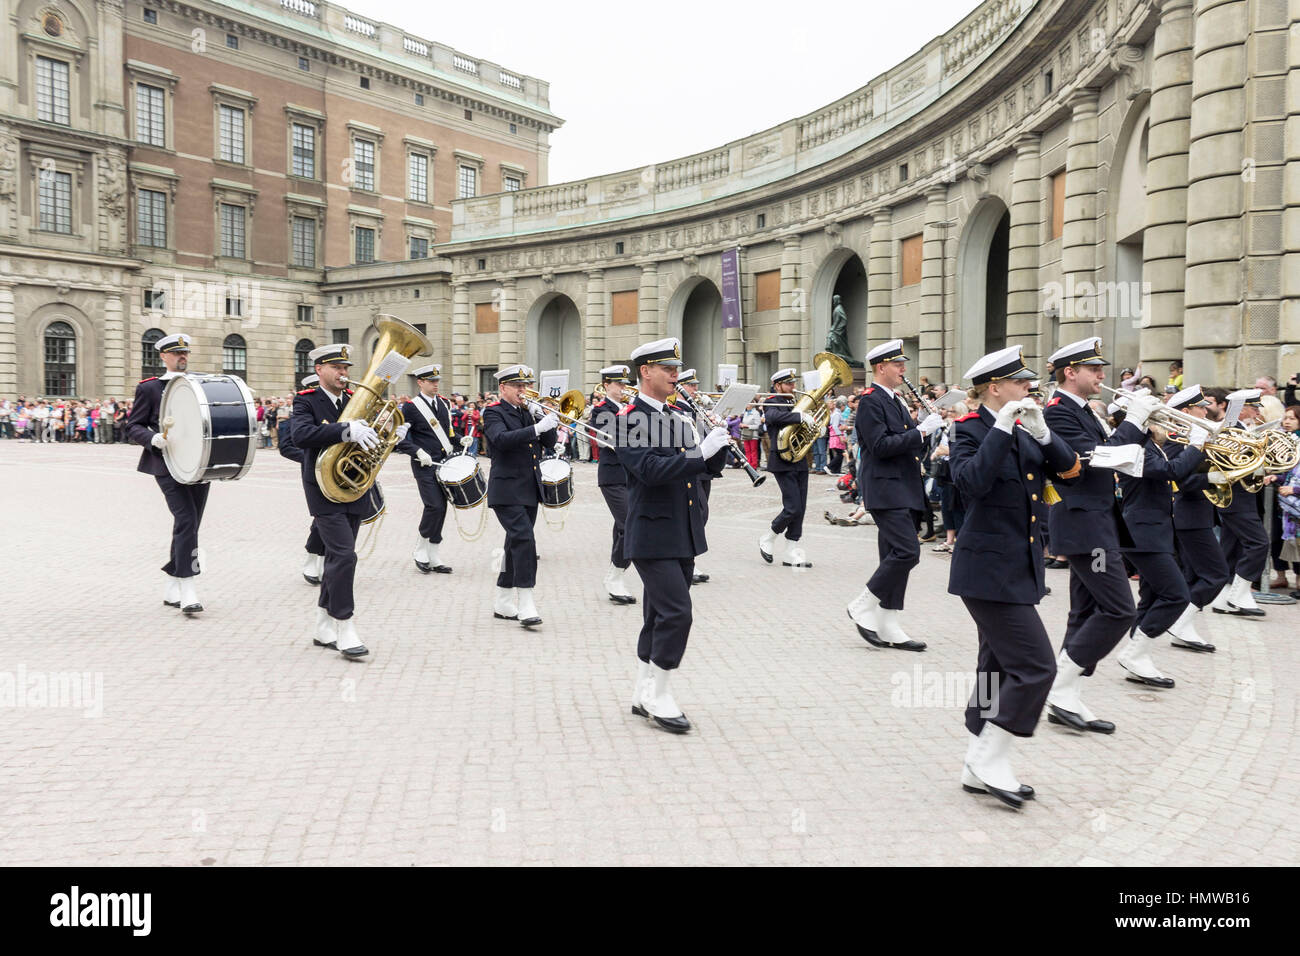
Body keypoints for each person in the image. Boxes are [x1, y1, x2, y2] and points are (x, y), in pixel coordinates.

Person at [948, 345, 1078, 809]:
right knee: (1037, 666)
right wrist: (1001, 430)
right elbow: (971, 485)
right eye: (1020, 382)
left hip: (1019, 567)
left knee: (996, 667)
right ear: (994, 387)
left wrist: (1044, 435)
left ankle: (974, 759)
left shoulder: (1026, 430)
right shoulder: (970, 429)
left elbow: (1069, 471)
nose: (1030, 387)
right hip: (985, 569)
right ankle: (991, 756)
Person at [1041, 336, 1162, 734]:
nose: (1102, 374)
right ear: (1070, 372)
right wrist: (1132, 422)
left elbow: (1116, 451)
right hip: (1083, 524)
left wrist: (1146, 427)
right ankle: (1059, 688)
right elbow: (1097, 459)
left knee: (1087, 611)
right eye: (1094, 369)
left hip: (1097, 520)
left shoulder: (1083, 410)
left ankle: (1066, 694)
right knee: (1118, 609)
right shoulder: (1058, 411)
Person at [615, 337, 729, 733]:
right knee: (678, 614)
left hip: (683, 530)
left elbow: (700, 471)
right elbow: (650, 470)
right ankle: (659, 695)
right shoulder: (629, 418)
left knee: (658, 614)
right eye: (667, 369)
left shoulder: (678, 416)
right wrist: (699, 453)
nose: (675, 376)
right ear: (645, 371)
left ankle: (641, 689)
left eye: (677, 369)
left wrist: (717, 446)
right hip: (652, 534)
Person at [846, 340, 944, 651]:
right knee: (907, 553)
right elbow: (880, 446)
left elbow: (909, 445)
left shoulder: (896, 399)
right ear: (880, 368)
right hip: (886, 487)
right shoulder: (871, 401)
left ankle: (888, 623)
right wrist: (922, 431)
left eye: (903, 364)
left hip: (904, 486)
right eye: (898, 364)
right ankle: (862, 605)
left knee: (893, 555)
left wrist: (927, 431)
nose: (904, 369)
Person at [290, 343, 378, 659]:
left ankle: (322, 625)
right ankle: (345, 624)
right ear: (319, 370)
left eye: (346, 369)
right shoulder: (306, 402)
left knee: (336, 559)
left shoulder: (356, 401)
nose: (344, 374)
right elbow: (300, 436)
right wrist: (345, 430)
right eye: (337, 368)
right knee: (345, 555)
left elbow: (369, 441)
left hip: (354, 487)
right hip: (322, 489)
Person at [1113, 400, 1210, 685]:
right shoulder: (1138, 448)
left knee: (1153, 596)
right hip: (1143, 534)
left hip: (1153, 533)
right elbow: (1173, 472)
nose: (1171, 427)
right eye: (1162, 421)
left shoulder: (1151, 447)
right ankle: (1134, 654)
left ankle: (1137, 656)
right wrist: (1195, 446)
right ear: (1147, 423)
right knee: (1176, 595)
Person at [125, 333, 210, 615]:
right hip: (165, 464)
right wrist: (151, 439)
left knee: (190, 524)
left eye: (185, 353)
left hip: (198, 464)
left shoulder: (197, 386)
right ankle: (188, 587)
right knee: (186, 519)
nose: (182, 357)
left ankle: (172, 584)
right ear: (163, 356)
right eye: (176, 353)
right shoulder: (149, 389)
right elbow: (133, 425)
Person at [481, 365, 559, 628]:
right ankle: (526, 600)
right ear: (503, 388)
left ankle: (503, 600)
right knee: (525, 539)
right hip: (506, 489)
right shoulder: (493, 412)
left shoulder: (528, 412)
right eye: (517, 386)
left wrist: (545, 418)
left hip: (529, 488)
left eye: (525, 386)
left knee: (514, 544)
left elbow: (548, 442)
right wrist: (536, 429)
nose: (523, 391)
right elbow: (500, 440)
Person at [1164, 386, 1228, 651]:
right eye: (1201, 407)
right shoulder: (1176, 438)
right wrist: (1212, 478)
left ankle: (1183, 627)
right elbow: (1179, 478)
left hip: (1200, 514)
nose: (1207, 410)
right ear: (1187, 411)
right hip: (1189, 514)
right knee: (1216, 575)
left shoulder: (1197, 435)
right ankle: (1180, 623)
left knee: (1196, 575)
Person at [1209, 388, 1272, 616]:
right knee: (1259, 544)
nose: (1256, 411)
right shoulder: (1231, 430)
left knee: (1231, 548)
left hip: (1241, 496)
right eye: (1253, 407)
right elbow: (1226, 464)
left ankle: (1222, 597)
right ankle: (1240, 594)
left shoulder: (1245, 429)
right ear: (1241, 407)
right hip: (1235, 497)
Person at [395, 363, 456, 575]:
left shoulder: (444, 404)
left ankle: (434, 554)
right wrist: (417, 451)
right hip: (424, 464)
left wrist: (460, 440)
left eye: (437, 380)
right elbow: (399, 438)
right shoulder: (411, 407)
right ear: (420, 382)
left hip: (444, 464)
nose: (435, 384)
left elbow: (448, 434)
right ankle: (421, 547)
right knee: (434, 506)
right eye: (431, 381)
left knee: (443, 508)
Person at [759, 368, 816, 568]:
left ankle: (791, 551)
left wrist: (816, 427)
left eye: (793, 383)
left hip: (799, 459)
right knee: (792, 507)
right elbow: (774, 417)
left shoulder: (795, 403)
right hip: (781, 460)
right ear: (777, 385)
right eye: (789, 384)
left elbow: (804, 425)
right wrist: (800, 417)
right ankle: (768, 537)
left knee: (801, 508)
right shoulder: (772, 401)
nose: (793, 387)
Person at [589, 364, 637, 605]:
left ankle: (614, 572)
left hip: (632, 475)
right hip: (612, 476)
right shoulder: (601, 410)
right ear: (606, 385)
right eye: (618, 384)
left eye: (625, 384)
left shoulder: (632, 407)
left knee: (621, 527)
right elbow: (605, 439)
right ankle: (616, 574)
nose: (623, 388)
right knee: (630, 524)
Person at [280, 374, 325, 585]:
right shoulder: (297, 415)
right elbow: (286, 447)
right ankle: (312, 555)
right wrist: (310, 459)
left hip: (338, 469)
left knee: (334, 516)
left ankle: (326, 560)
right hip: (313, 469)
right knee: (322, 517)